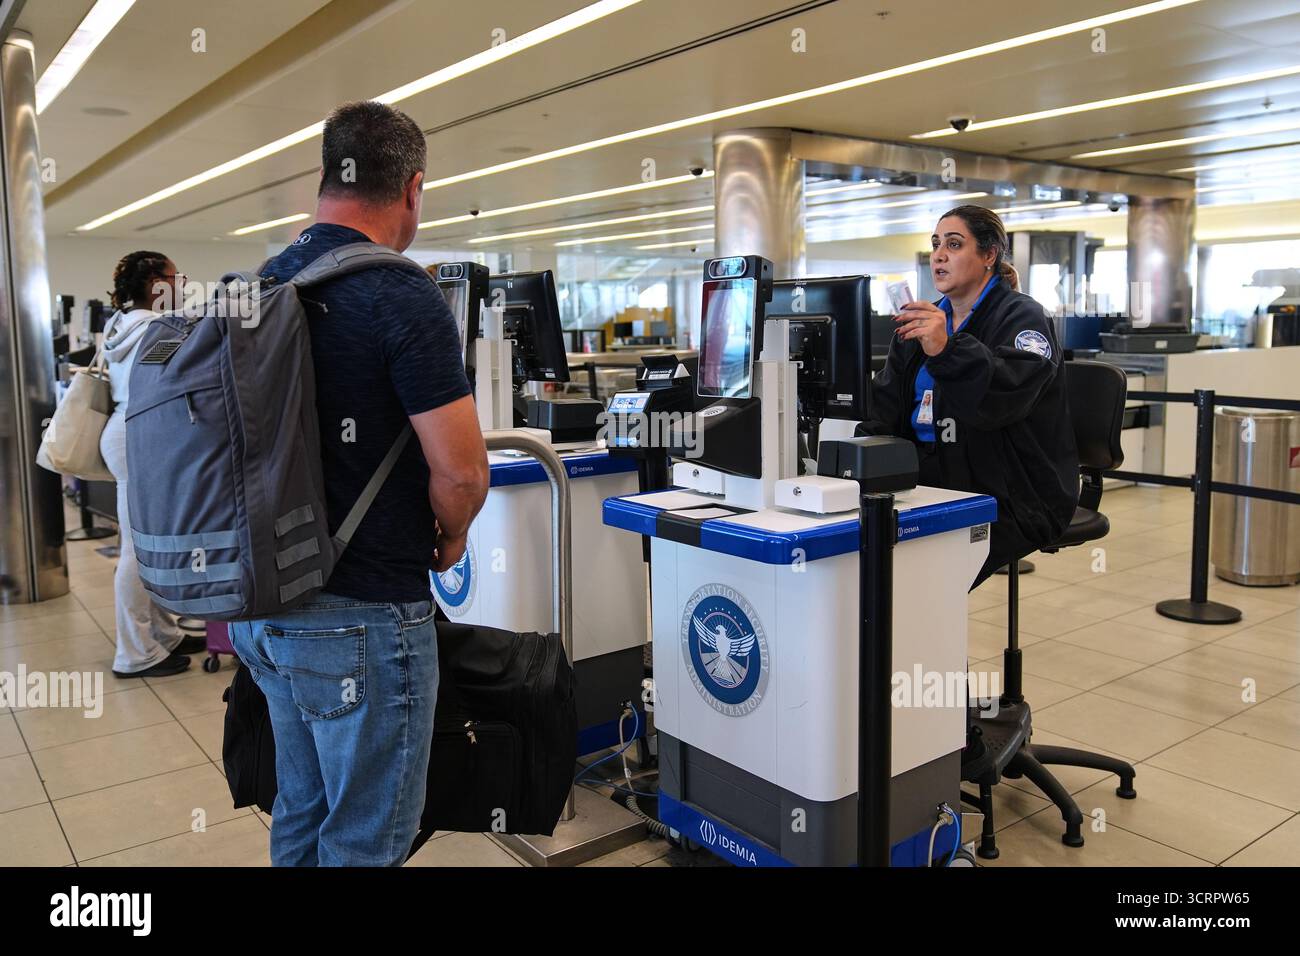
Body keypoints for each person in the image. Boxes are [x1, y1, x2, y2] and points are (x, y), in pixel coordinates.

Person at [229, 101, 489, 867]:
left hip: (262, 609)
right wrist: (455, 534)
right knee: (368, 840)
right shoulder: (401, 294)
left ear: (324, 177)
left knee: (303, 812)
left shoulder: (264, 285)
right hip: (362, 615)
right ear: (411, 189)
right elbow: (461, 469)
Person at [860, 204, 1078, 587]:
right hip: (928, 478)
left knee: (917, 581)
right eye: (935, 244)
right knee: (862, 556)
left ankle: (925, 645)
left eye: (955, 244)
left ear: (989, 255)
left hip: (1009, 492)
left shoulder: (1023, 318)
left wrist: (945, 348)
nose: (939, 255)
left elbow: (1001, 400)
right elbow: (887, 406)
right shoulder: (920, 323)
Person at [101, 252, 203, 678]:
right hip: (140, 434)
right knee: (137, 548)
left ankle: (163, 634)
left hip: (126, 429)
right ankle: (135, 652)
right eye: (173, 276)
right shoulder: (155, 327)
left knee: (152, 542)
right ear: (153, 283)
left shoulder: (119, 324)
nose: (180, 283)